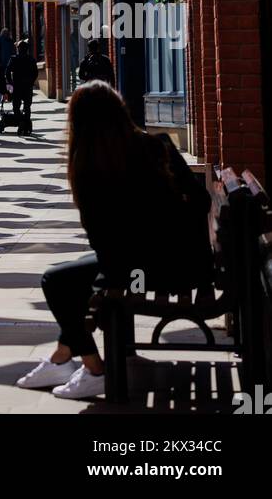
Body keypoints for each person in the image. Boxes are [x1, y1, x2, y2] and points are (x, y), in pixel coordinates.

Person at [17, 82, 212, 400]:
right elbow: (202, 200)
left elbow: (102, 241)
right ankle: (61, 358)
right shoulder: (158, 145)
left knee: (56, 281)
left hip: (145, 272)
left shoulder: (91, 167)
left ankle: (93, 369)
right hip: (184, 267)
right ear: (120, 111)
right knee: (73, 277)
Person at [5, 39, 38, 135]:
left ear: (18, 49)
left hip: (17, 86)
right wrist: (31, 81)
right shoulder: (31, 59)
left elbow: (7, 71)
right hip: (27, 86)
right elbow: (35, 73)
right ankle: (26, 125)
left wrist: (10, 82)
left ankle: (21, 122)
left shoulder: (14, 58)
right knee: (27, 107)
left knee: (16, 107)